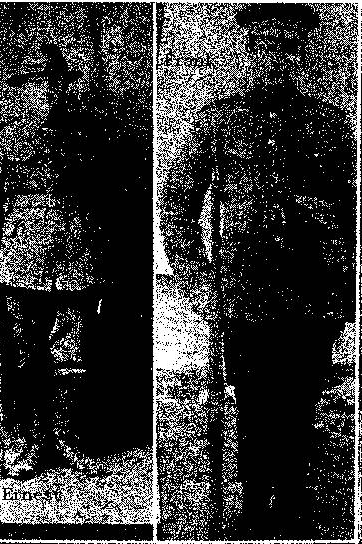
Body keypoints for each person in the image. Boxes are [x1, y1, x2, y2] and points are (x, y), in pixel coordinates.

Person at [160, 4, 354, 538]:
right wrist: (195, 270)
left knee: (301, 396)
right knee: (252, 397)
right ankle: (254, 499)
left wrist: (344, 278)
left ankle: (292, 498)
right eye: (264, 47)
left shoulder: (329, 127)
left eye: (287, 48)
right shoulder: (219, 121)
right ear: (247, 52)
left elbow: (352, 208)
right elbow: (176, 200)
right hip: (247, 289)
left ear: (302, 56)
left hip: (313, 290)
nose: (275, 60)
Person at [0, 44, 105, 480]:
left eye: (54, 82)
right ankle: (23, 447)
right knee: (21, 360)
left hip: (76, 259)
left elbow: (104, 207)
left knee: (71, 357)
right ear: (23, 90)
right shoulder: (4, 139)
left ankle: (67, 440)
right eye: (36, 83)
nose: (46, 90)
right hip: (19, 259)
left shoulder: (88, 137)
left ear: (65, 86)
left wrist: (101, 270)